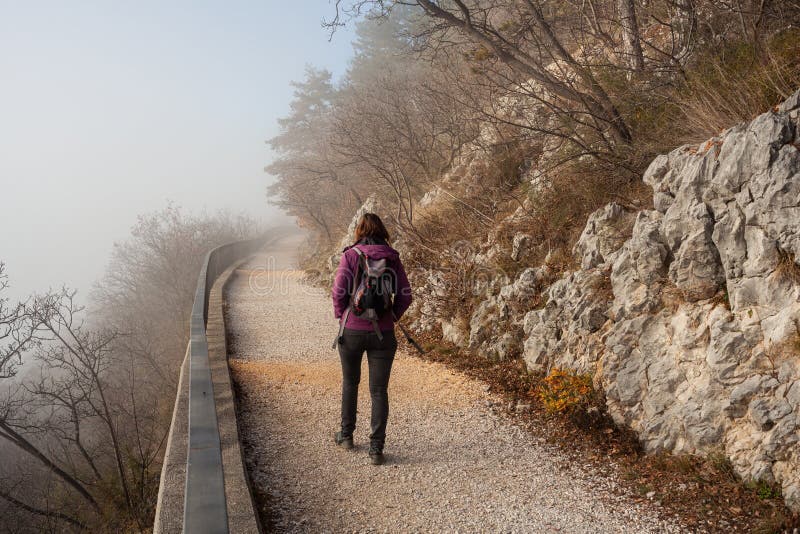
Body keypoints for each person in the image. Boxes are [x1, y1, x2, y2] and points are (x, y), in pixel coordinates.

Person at [331, 213, 412, 465]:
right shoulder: (392, 257)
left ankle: (346, 436)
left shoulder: (351, 255)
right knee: (378, 391)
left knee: (349, 383)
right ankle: (376, 449)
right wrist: (390, 316)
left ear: (359, 231)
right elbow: (406, 296)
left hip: (352, 332)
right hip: (383, 335)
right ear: (383, 231)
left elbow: (338, 293)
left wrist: (343, 316)